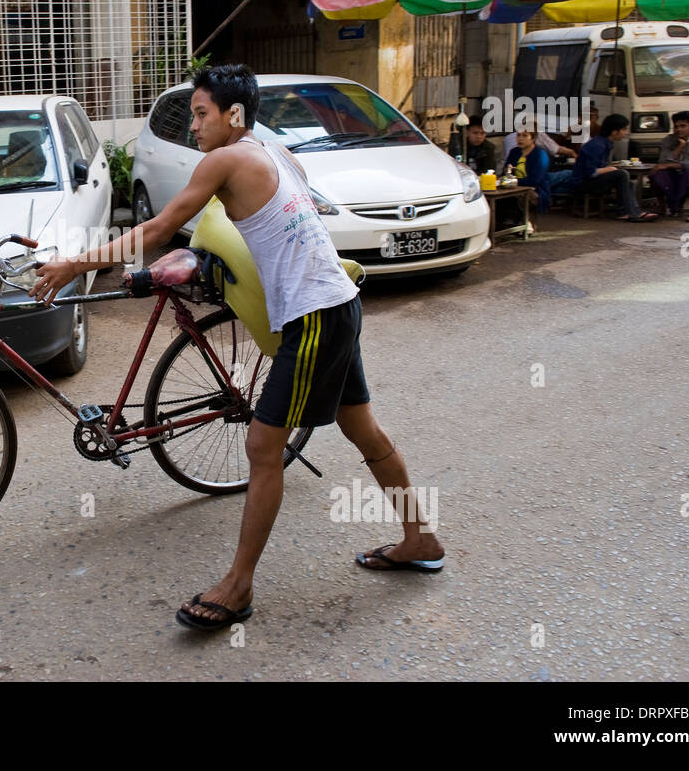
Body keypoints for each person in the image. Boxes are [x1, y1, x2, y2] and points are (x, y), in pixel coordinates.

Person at [30, 65, 444, 631]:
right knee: (363, 430)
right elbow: (268, 228)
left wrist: (73, 264)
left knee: (263, 447)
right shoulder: (277, 153)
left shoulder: (225, 160)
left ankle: (238, 586)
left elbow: (159, 228)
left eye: (201, 114)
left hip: (315, 316)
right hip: (339, 304)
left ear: (234, 115)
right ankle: (419, 537)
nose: (193, 126)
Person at [570, 113, 658, 222]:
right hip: (582, 184)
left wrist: (611, 168)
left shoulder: (605, 143)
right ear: (614, 131)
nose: (626, 133)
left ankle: (623, 212)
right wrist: (611, 169)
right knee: (622, 174)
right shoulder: (597, 145)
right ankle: (633, 213)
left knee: (629, 182)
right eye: (624, 129)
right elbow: (591, 172)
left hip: (592, 181)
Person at [649, 111, 689, 222]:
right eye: (676, 127)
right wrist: (680, 147)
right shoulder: (668, 140)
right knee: (656, 173)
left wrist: (672, 165)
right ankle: (662, 206)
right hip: (674, 173)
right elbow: (662, 162)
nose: (679, 130)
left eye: (683, 126)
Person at [504, 126, 552, 214]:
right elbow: (505, 172)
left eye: (525, 135)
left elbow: (534, 180)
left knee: (515, 199)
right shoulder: (514, 152)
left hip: (534, 191)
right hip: (512, 188)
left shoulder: (540, 155)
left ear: (533, 138)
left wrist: (512, 182)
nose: (520, 139)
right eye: (518, 135)